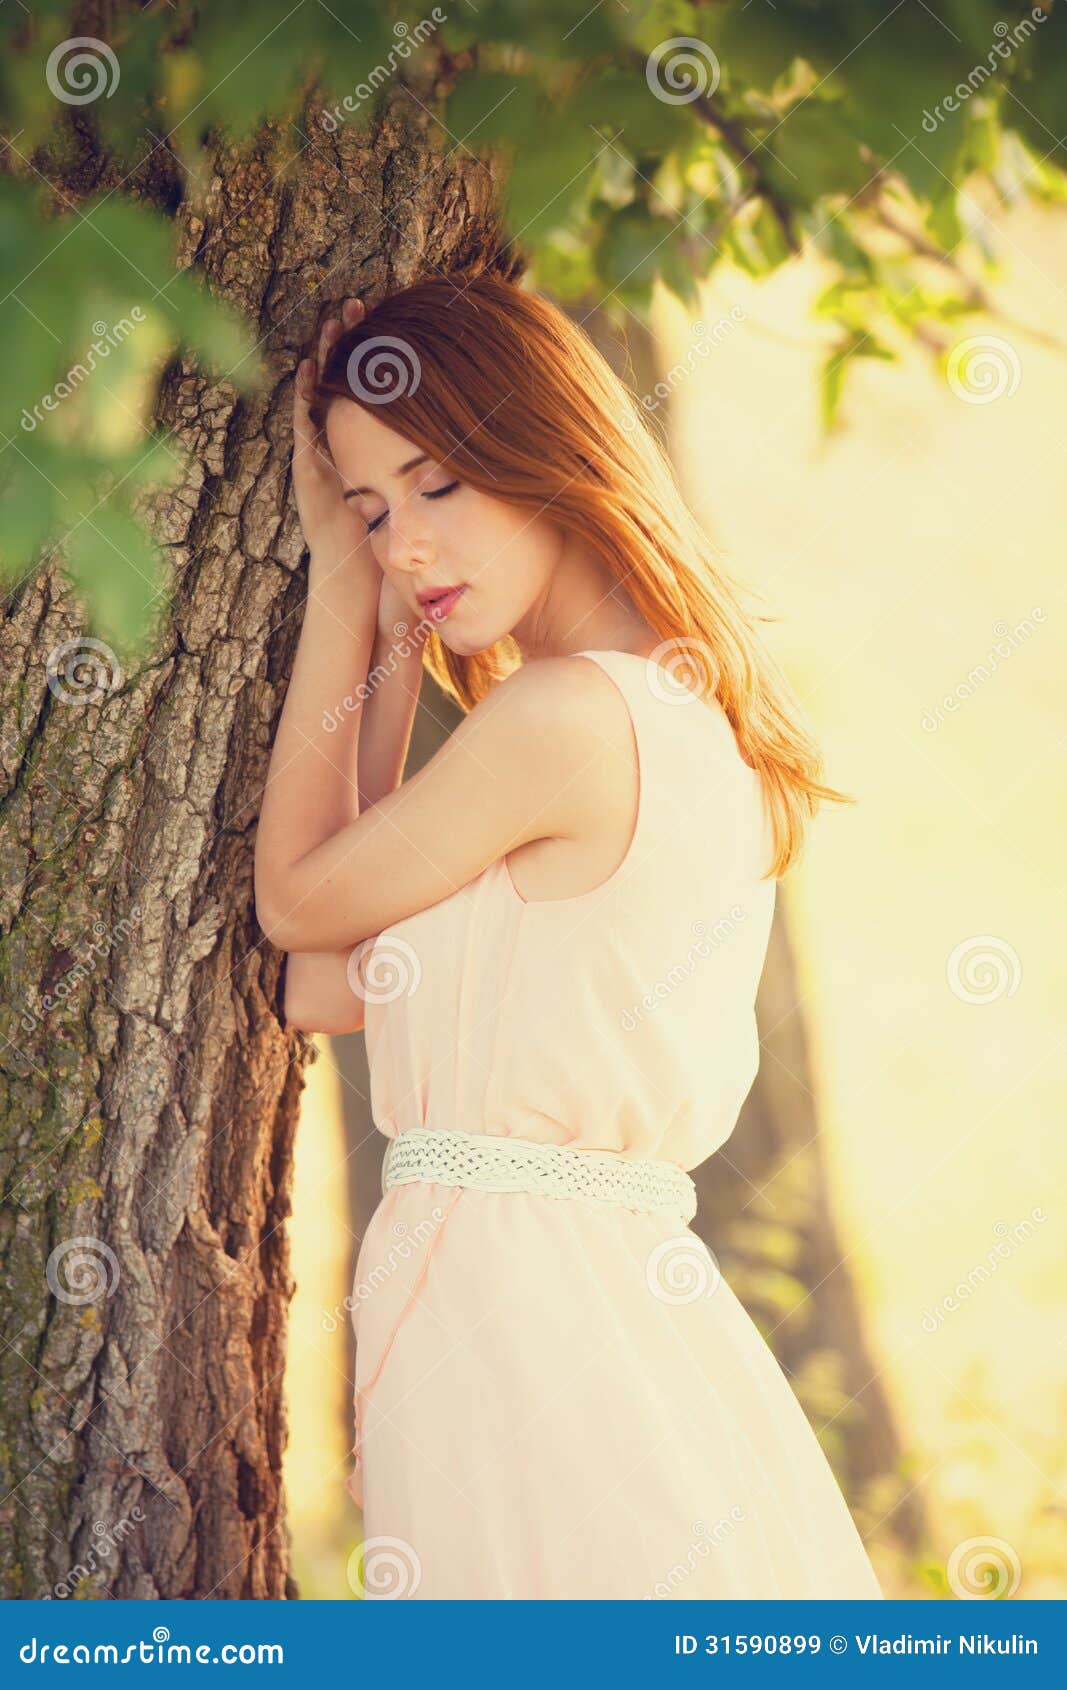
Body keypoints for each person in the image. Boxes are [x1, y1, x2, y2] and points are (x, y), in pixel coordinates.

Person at [253, 263, 885, 1601]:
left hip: (536, 1328)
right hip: (553, 1305)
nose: (403, 545)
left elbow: (295, 901)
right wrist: (376, 639)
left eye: (436, 486)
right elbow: (327, 980)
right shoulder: (651, 710)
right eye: (367, 513)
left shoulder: (565, 723)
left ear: (544, 452)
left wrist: (330, 596)